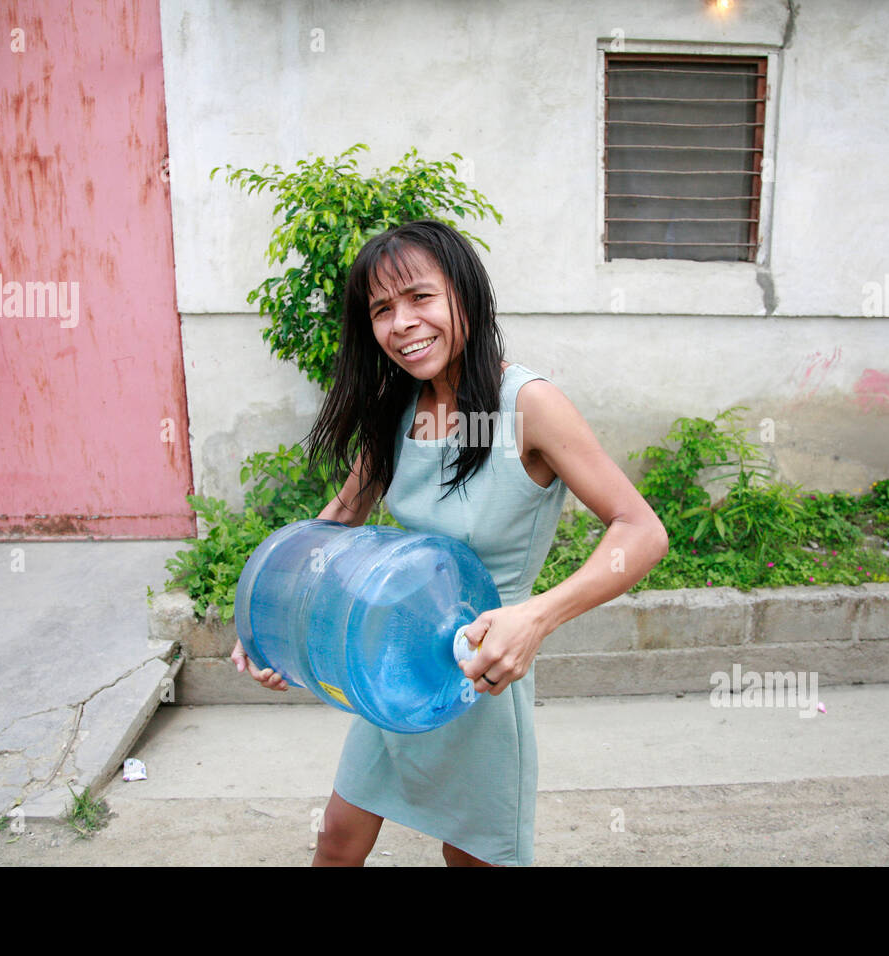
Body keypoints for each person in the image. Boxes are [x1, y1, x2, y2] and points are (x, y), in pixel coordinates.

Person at [230, 219, 668, 866]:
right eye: (382, 309)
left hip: (479, 679)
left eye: (419, 298)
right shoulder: (395, 407)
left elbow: (642, 531)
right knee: (336, 841)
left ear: (464, 294)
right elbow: (333, 532)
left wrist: (535, 616)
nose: (401, 323)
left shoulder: (531, 406)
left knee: (468, 859)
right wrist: (273, 626)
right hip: (389, 667)